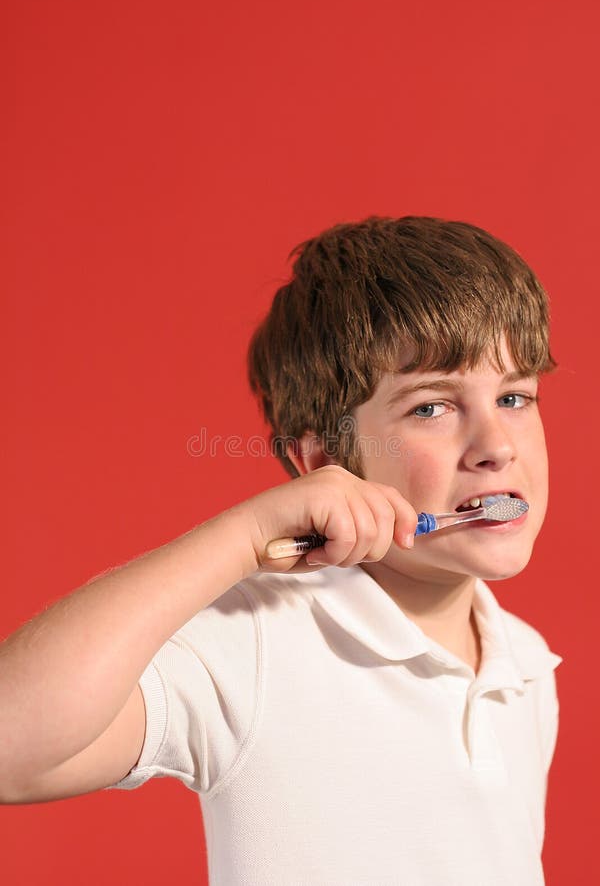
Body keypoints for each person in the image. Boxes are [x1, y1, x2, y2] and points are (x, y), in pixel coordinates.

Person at [0, 216, 562, 885]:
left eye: (514, 396)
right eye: (431, 409)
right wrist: (241, 537)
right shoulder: (257, 643)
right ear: (326, 461)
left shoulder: (526, 664)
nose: (497, 444)